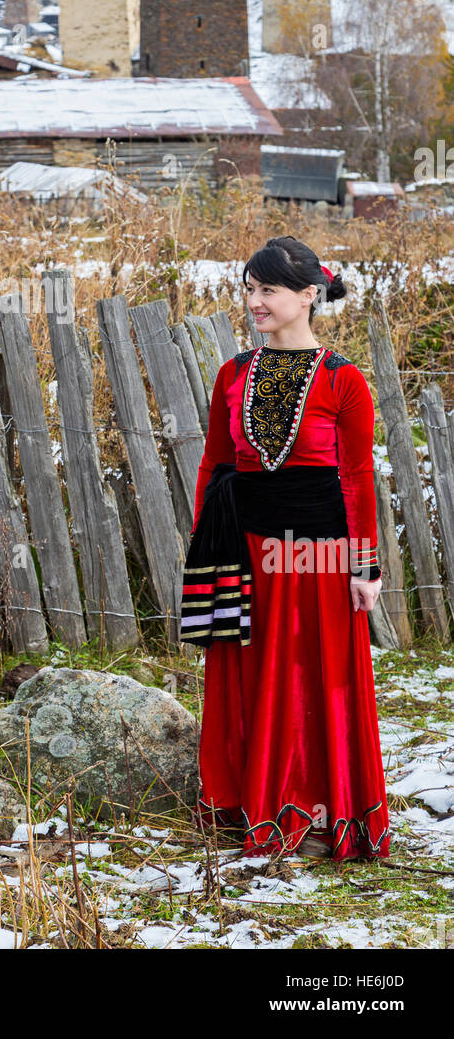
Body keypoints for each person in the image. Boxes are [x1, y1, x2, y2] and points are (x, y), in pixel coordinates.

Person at [180, 235, 390, 862]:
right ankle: (255, 806)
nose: (254, 301)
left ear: (308, 296)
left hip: (319, 554)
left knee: (317, 678)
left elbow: (355, 476)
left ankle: (324, 814)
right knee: (252, 674)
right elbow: (216, 465)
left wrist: (365, 563)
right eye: (249, 289)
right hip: (245, 548)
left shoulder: (343, 380)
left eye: (267, 289)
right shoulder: (234, 373)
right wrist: (204, 549)